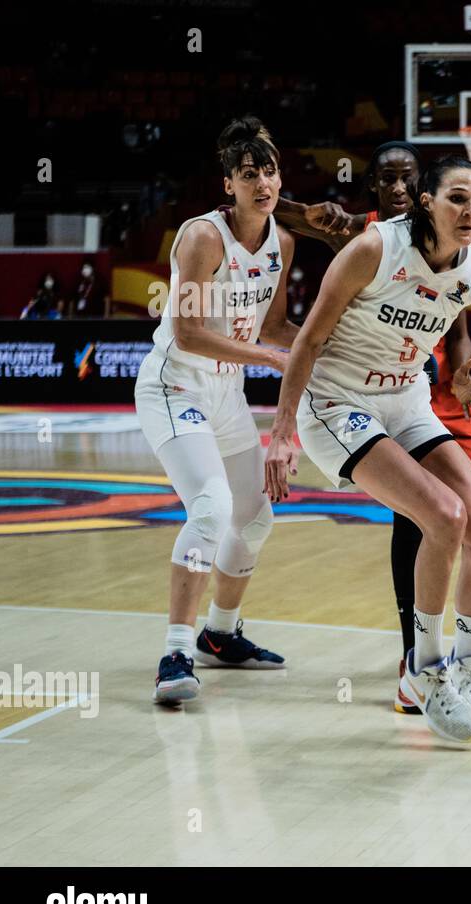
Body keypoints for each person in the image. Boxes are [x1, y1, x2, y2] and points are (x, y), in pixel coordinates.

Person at [264, 153, 471, 743]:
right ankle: (424, 669)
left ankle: (468, 671)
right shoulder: (374, 249)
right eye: (457, 199)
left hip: (408, 402)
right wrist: (282, 433)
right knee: (443, 516)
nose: (470, 211)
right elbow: (310, 338)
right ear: (427, 202)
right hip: (340, 404)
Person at [133, 116, 296, 705]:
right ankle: (174, 651)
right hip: (176, 386)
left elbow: (277, 326)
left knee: (253, 518)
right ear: (228, 184)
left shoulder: (283, 241)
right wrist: (275, 359)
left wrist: (330, 345)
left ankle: (220, 636)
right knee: (211, 507)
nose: (262, 183)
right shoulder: (202, 237)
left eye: (270, 172)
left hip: (226, 394)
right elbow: (190, 332)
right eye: (248, 174)